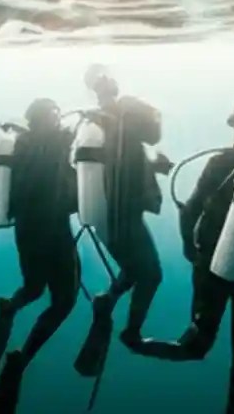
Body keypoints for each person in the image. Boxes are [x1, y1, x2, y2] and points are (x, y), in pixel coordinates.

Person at [127, 99, 234, 414]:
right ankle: (233, 410)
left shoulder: (219, 163)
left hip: (211, 271)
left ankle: (138, 344)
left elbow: (190, 211)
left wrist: (191, 250)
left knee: (196, 345)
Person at [0, 98, 79, 413]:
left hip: (27, 229)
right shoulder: (58, 139)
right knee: (64, 301)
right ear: (50, 117)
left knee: (33, 288)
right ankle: (22, 357)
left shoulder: (20, 146)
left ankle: (10, 308)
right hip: (54, 230)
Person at [74, 64, 173, 377]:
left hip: (103, 216)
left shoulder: (95, 122)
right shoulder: (122, 114)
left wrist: (152, 167)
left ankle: (107, 300)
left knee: (133, 268)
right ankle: (131, 332)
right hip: (121, 215)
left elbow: (119, 163)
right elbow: (152, 134)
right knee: (151, 275)